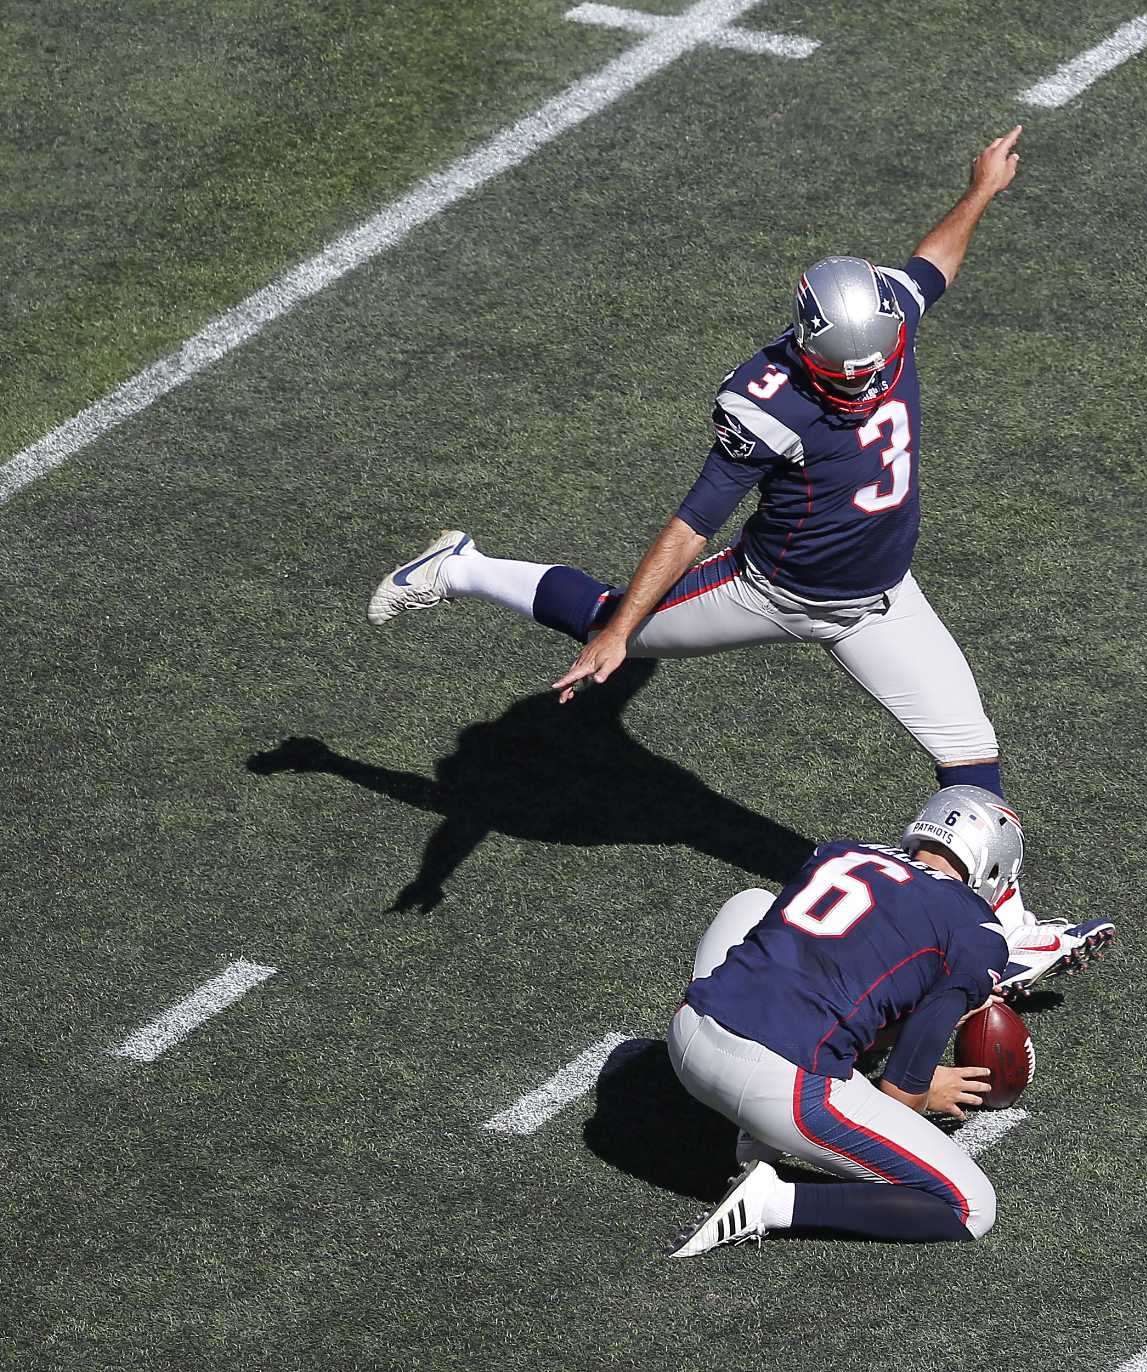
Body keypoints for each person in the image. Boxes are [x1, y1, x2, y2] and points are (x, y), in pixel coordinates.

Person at [365, 126, 1109, 990]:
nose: (868, 383)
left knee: (972, 755)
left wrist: (980, 190)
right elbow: (692, 525)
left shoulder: (884, 315)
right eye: (850, 373)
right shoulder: (768, 401)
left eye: (878, 366)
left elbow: (933, 262)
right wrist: (618, 639)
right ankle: (460, 566)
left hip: (880, 599)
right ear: (809, 345)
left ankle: (1008, 927)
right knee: (616, 622)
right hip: (772, 590)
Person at [666, 785, 1026, 1254]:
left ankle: (756, 1130)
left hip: (689, 1034)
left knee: (754, 901)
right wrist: (926, 1094)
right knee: (972, 1206)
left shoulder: (841, 853)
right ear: (993, 869)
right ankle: (772, 1201)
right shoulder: (976, 932)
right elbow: (901, 1091)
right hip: (781, 1085)